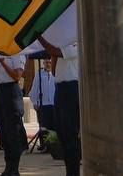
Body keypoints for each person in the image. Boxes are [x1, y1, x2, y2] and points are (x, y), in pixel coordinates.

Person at [37, 34, 81, 176]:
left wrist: (40, 38)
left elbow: (55, 52)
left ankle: (74, 172)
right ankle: (70, 170)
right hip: (60, 88)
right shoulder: (61, 43)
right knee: (62, 133)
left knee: (71, 133)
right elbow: (55, 71)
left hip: (72, 88)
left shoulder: (76, 41)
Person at [0, 51, 27, 176]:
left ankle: (14, 168)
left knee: (13, 132)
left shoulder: (17, 52)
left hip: (11, 91)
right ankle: (8, 167)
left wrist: (2, 61)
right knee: (3, 131)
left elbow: (17, 76)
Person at [28, 59, 56, 141]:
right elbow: (34, 89)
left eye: (50, 62)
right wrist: (35, 102)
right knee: (44, 128)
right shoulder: (39, 74)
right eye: (46, 62)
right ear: (43, 63)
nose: (48, 64)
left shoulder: (56, 73)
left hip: (54, 104)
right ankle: (44, 144)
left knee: (54, 127)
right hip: (43, 105)